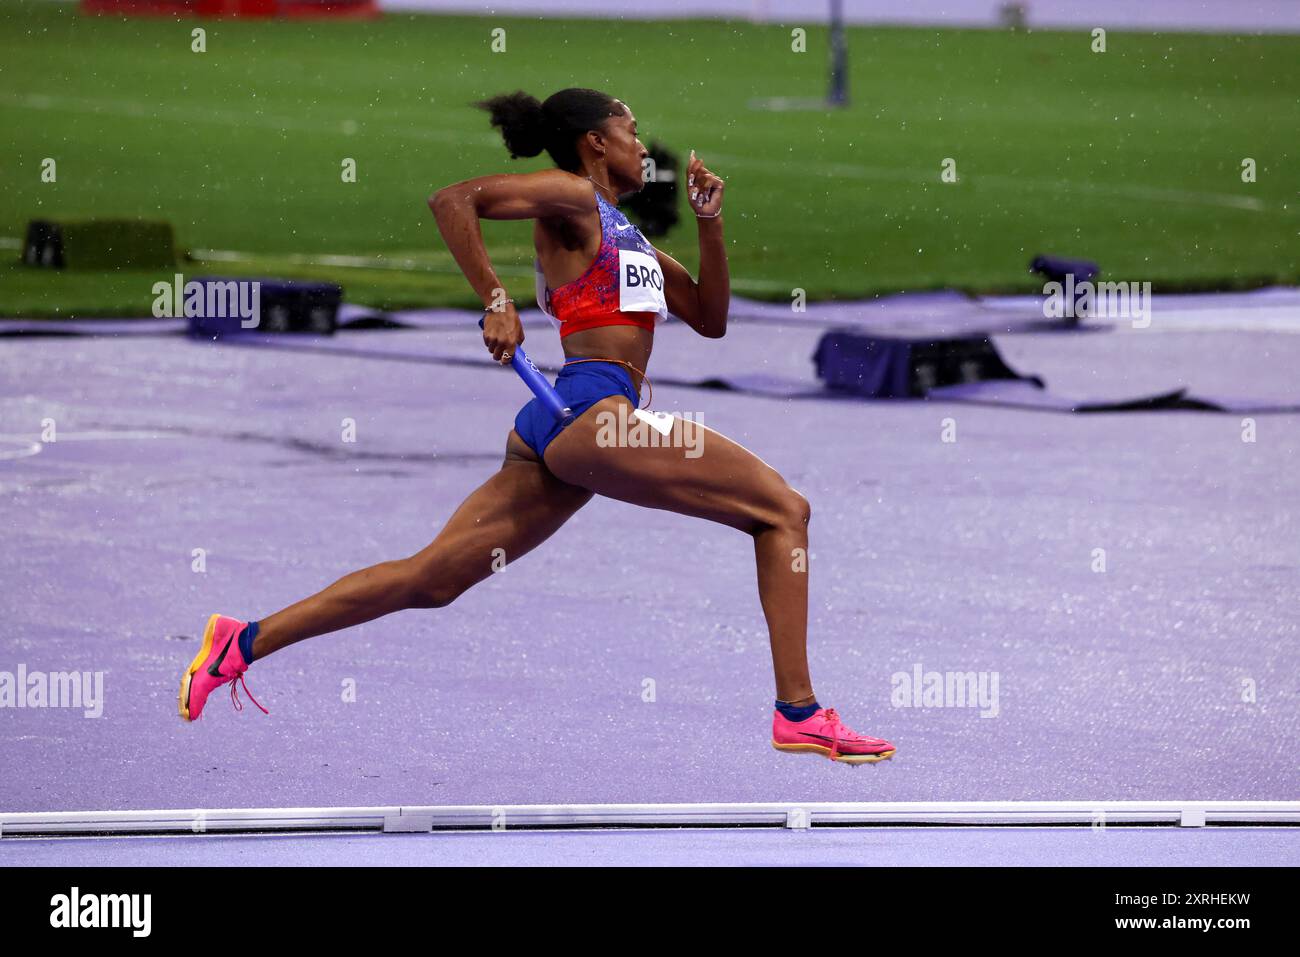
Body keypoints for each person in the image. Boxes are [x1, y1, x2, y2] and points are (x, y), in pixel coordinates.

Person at [177, 87, 895, 764]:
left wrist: (710, 221)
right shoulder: (574, 196)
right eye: (630, 130)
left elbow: (709, 318)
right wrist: (495, 298)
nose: (642, 144)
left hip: (556, 425)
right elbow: (452, 199)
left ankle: (240, 641)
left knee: (433, 579)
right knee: (783, 511)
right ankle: (798, 710)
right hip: (594, 416)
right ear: (594, 142)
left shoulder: (631, 236)